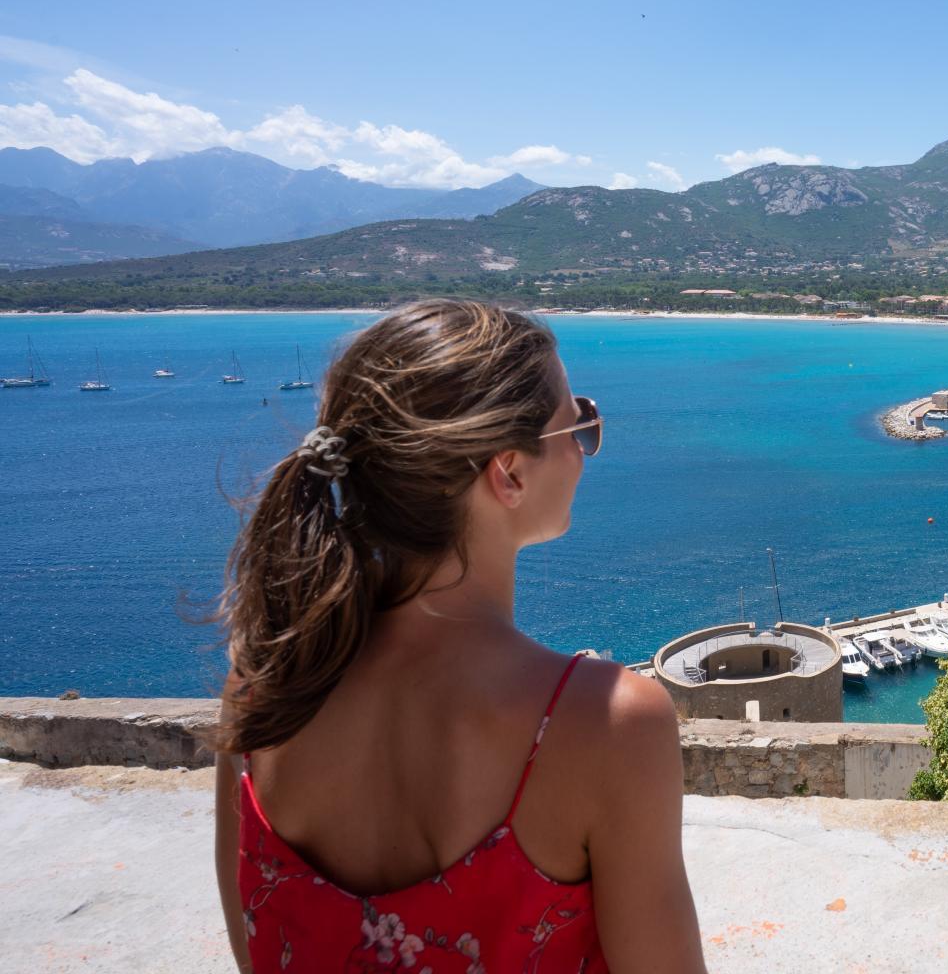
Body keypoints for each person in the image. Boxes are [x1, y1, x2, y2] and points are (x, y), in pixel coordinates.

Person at [211, 299, 704, 972]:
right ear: (509, 474)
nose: (584, 449)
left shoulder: (259, 692)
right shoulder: (606, 724)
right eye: (577, 427)